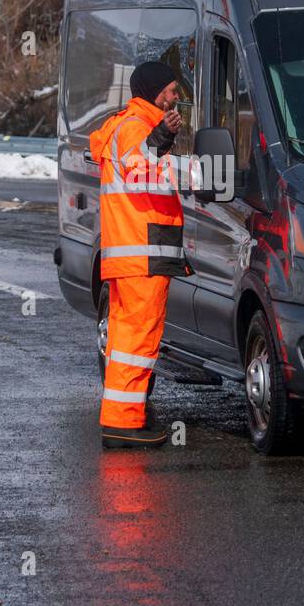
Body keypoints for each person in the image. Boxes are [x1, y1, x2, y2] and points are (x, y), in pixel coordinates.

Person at [88, 60, 191, 448]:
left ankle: (124, 418)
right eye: (170, 90)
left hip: (134, 252)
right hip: (140, 253)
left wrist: (162, 139)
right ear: (152, 92)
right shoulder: (135, 127)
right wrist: (166, 141)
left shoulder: (129, 126)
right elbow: (139, 171)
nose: (175, 96)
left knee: (126, 339)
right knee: (137, 340)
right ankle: (123, 425)